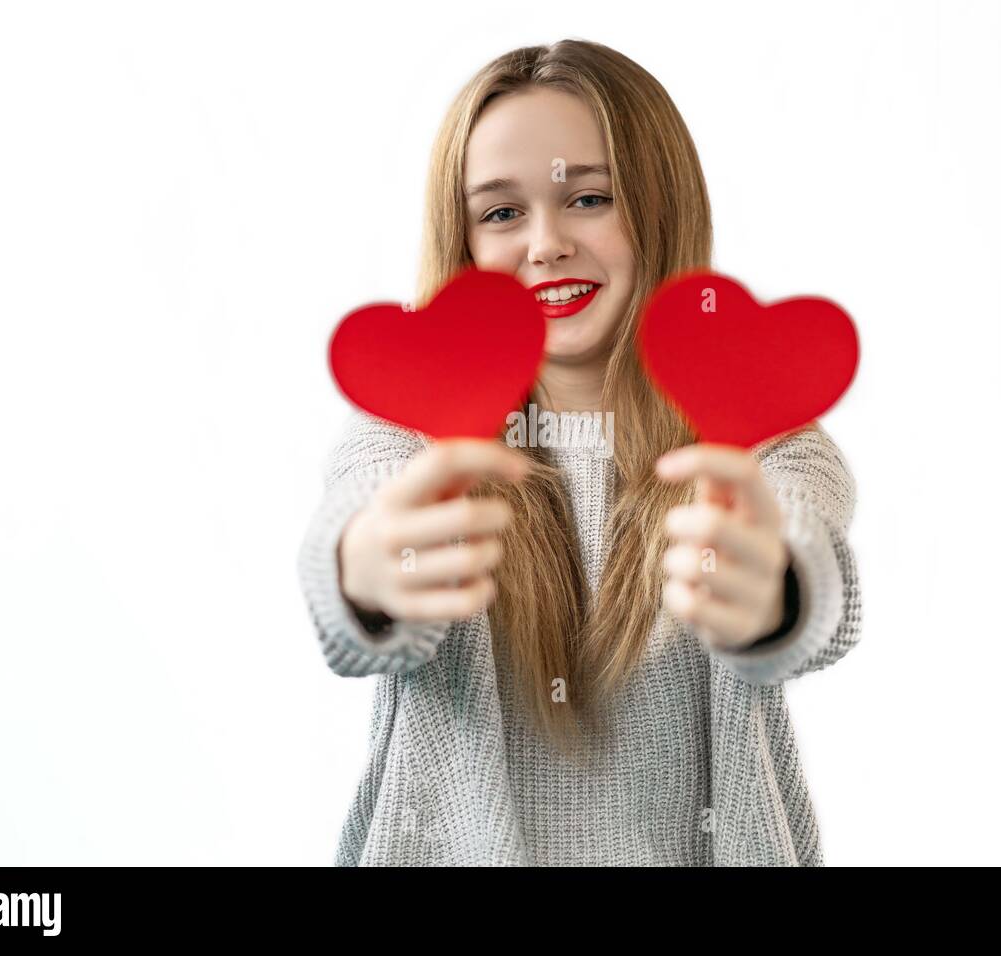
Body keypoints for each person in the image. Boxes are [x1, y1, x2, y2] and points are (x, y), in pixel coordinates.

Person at [297, 39, 862, 865]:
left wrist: (771, 586)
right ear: (461, 243)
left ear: (661, 205)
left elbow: (812, 551)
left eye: (589, 198)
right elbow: (354, 521)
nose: (545, 244)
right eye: (500, 213)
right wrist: (368, 574)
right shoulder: (410, 438)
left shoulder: (759, 436)